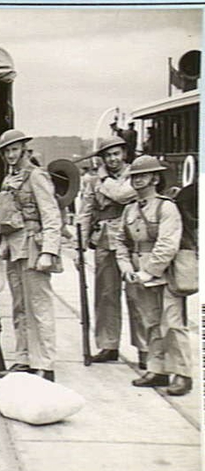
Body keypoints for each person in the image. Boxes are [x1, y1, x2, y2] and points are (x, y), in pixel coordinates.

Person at [0, 129, 62, 382]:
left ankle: (45, 363)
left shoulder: (36, 176)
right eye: (6, 151)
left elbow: (51, 216)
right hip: (12, 248)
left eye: (14, 149)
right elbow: (0, 219)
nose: (10, 155)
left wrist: (49, 252)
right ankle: (24, 358)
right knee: (19, 308)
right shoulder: (9, 179)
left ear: (24, 150)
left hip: (33, 247)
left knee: (39, 307)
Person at [113, 156, 192, 396]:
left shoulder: (166, 207)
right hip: (139, 273)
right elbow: (120, 241)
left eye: (143, 176)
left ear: (155, 178)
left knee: (172, 325)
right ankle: (157, 369)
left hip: (165, 274)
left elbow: (168, 244)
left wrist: (149, 271)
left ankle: (183, 374)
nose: (138, 180)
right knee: (150, 323)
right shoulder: (130, 209)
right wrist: (126, 267)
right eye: (135, 176)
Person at [76, 137, 146, 368]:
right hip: (105, 239)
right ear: (102, 158)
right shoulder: (92, 181)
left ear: (124, 154)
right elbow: (85, 213)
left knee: (137, 295)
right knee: (106, 295)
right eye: (108, 155)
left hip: (131, 239)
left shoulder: (135, 174)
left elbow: (124, 195)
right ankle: (108, 344)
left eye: (116, 154)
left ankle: (145, 349)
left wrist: (103, 179)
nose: (113, 159)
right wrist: (80, 245)